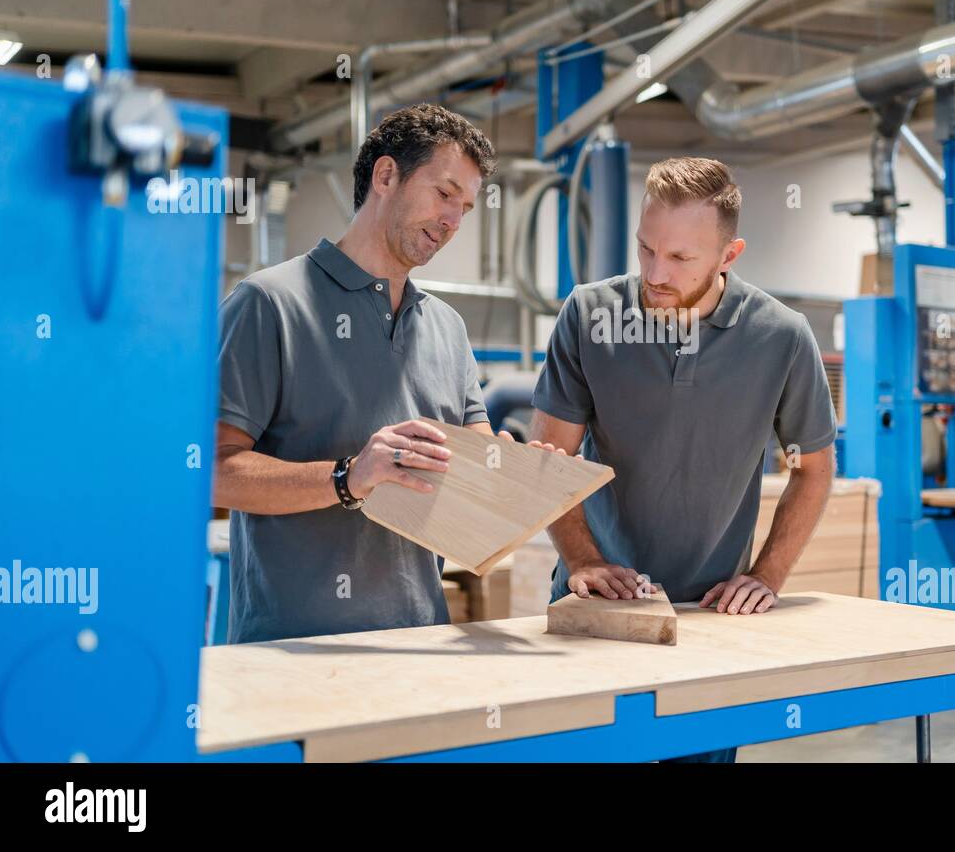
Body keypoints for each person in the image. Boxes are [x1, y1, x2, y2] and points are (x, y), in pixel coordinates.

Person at [529, 156, 838, 762]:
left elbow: (813, 468)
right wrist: (583, 561)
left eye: (679, 258)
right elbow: (550, 460)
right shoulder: (590, 318)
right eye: (645, 250)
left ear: (729, 255)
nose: (654, 273)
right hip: (595, 609)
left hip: (711, 617)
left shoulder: (781, 337)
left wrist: (768, 576)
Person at [214, 104, 505, 644]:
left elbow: (475, 482)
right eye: (445, 194)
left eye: (465, 207)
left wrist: (517, 473)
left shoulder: (447, 327)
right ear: (386, 176)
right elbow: (213, 472)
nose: (453, 222)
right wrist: (348, 478)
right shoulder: (268, 303)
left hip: (420, 644)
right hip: (289, 653)